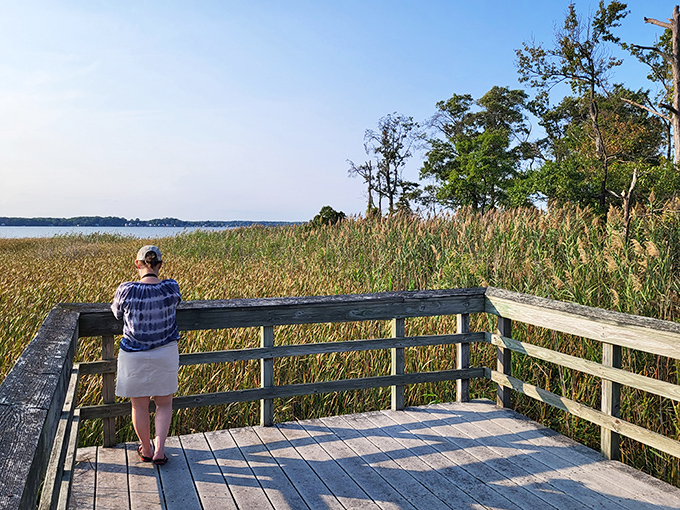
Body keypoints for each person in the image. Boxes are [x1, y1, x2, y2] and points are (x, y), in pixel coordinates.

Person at [111, 245, 182, 465]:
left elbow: (116, 313)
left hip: (133, 354)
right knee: (164, 404)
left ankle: (147, 448)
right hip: (165, 352)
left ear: (137, 264)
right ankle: (160, 450)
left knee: (139, 406)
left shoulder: (126, 289)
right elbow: (177, 303)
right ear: (160, 265)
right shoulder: (171, 287)